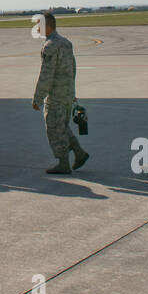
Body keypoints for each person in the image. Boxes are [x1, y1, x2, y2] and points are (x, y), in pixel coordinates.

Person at [33, 11, 88, 174]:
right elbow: (73, 68)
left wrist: (38, 97)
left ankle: (63, 163)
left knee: (53, 128)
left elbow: (46, 75)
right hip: (67, 92)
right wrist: (72, 90)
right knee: (62, 126)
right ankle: (79, 153)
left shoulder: (50, 46)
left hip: (56, 94)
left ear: (47, 26)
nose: (37, 28)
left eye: (39, 25)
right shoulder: (66, 43)